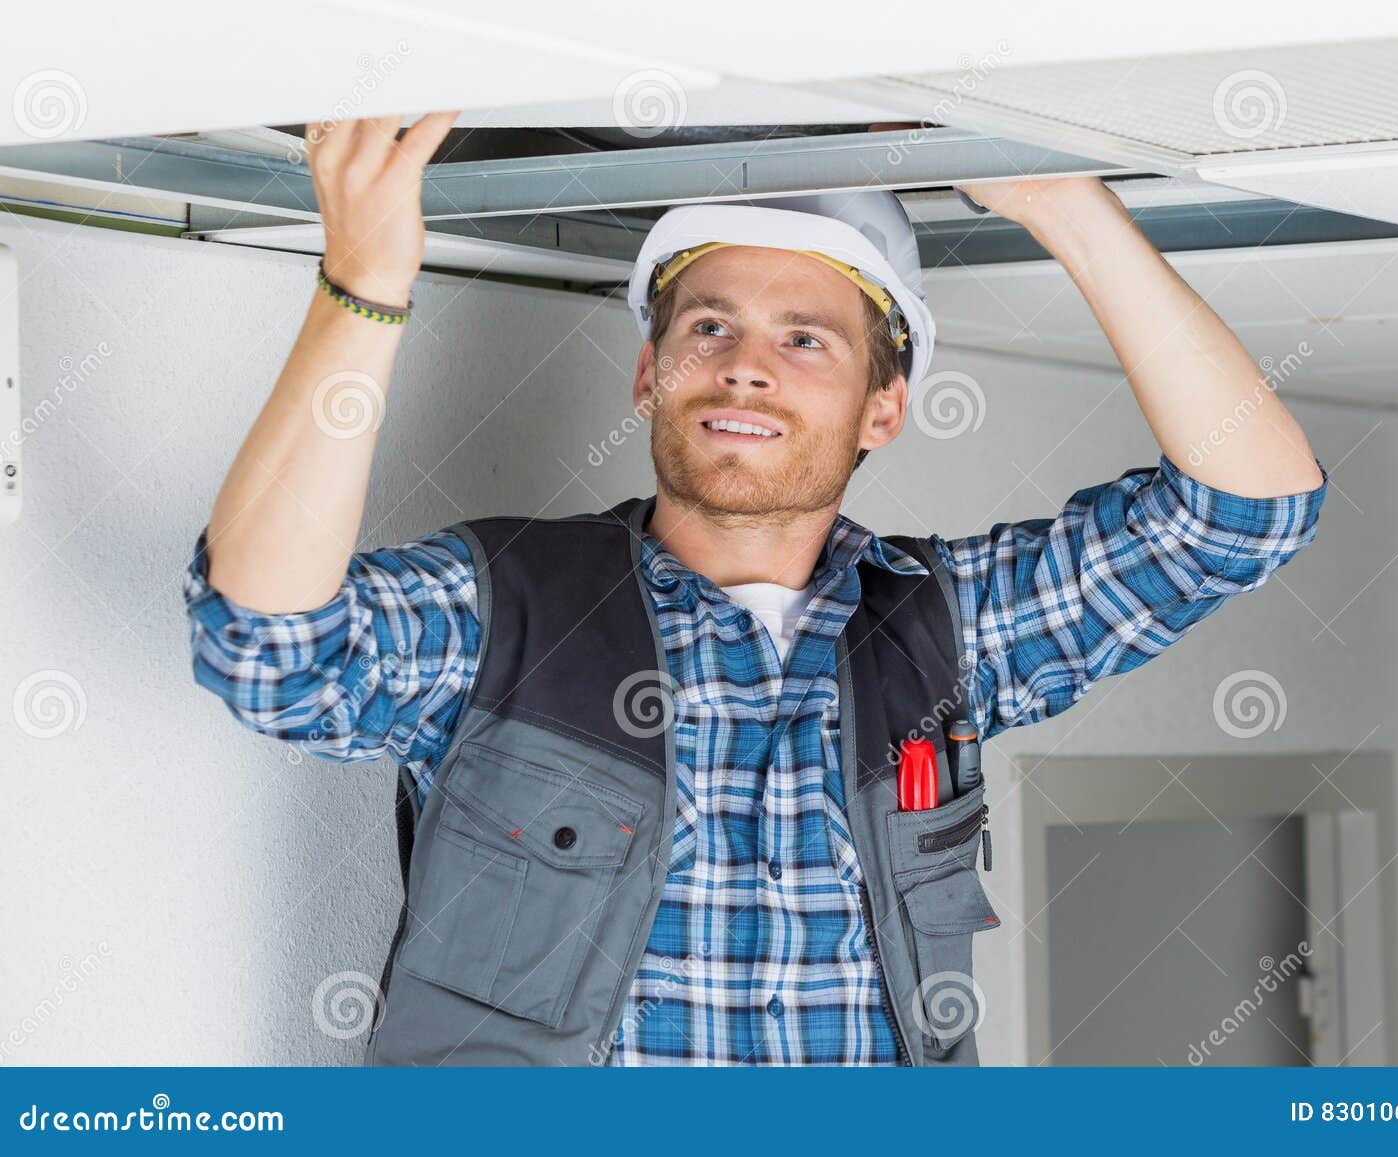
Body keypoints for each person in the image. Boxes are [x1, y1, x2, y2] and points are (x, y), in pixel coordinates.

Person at [183, 111, 1328, 1066]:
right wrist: (367, 283)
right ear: (650, 373)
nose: (744, 362)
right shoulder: (509, 613)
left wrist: (1063, 204)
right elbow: (266, 646)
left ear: (883, 408)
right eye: (711, 326)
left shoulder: (943, 633)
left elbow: (1246, 508)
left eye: (805, 340)